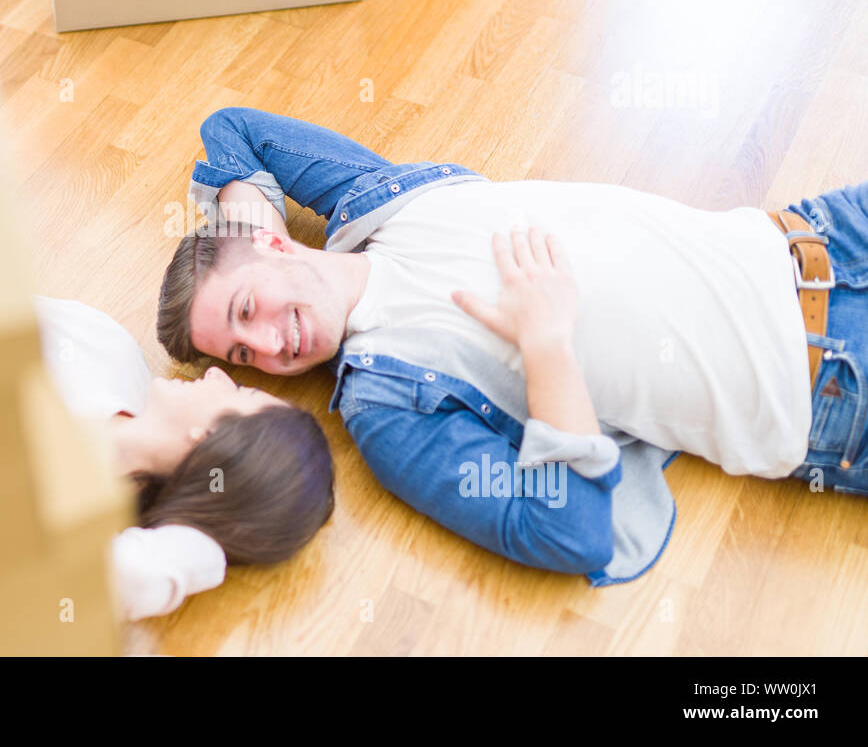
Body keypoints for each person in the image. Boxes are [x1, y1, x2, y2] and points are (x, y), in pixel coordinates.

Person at [156, 106, 868, 586]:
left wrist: (246, 233)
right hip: (830, 379)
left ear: (273, 242)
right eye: (242, 354)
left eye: (247, 309)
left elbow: (232, 128)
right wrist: (548, 343)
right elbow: (569, 530)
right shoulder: (386, 409)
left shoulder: (378, 202)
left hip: (821, 233)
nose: (266, 343)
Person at [32, 295, 334, 620]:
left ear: (210, 440)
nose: (217, 374)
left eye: (239, 391)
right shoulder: (104, 350)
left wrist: (208, 542)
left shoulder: (79, 537)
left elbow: (134, 577)